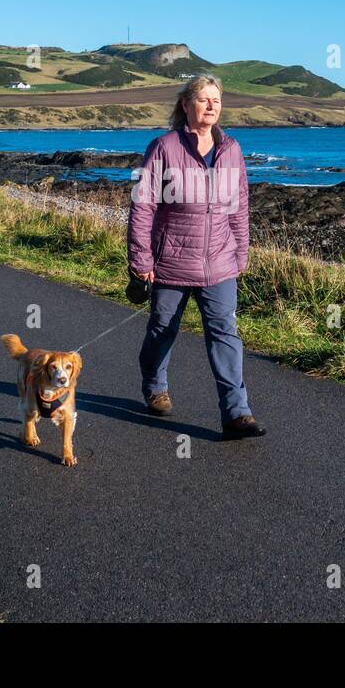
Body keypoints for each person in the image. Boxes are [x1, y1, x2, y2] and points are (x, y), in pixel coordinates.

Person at [127, 75, 265, 440]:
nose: (211, 106)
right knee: (161, 330)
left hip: (220, 261)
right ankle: (155, 385)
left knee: (225, 334)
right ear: (186, 104)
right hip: (171, 260)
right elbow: (143, 206)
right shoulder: (164, 147)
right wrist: (141, 260)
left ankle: (237, 413)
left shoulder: (231, 149)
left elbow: (239, 207)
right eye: (203, 99)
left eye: (216, 100)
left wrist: (240, 253)